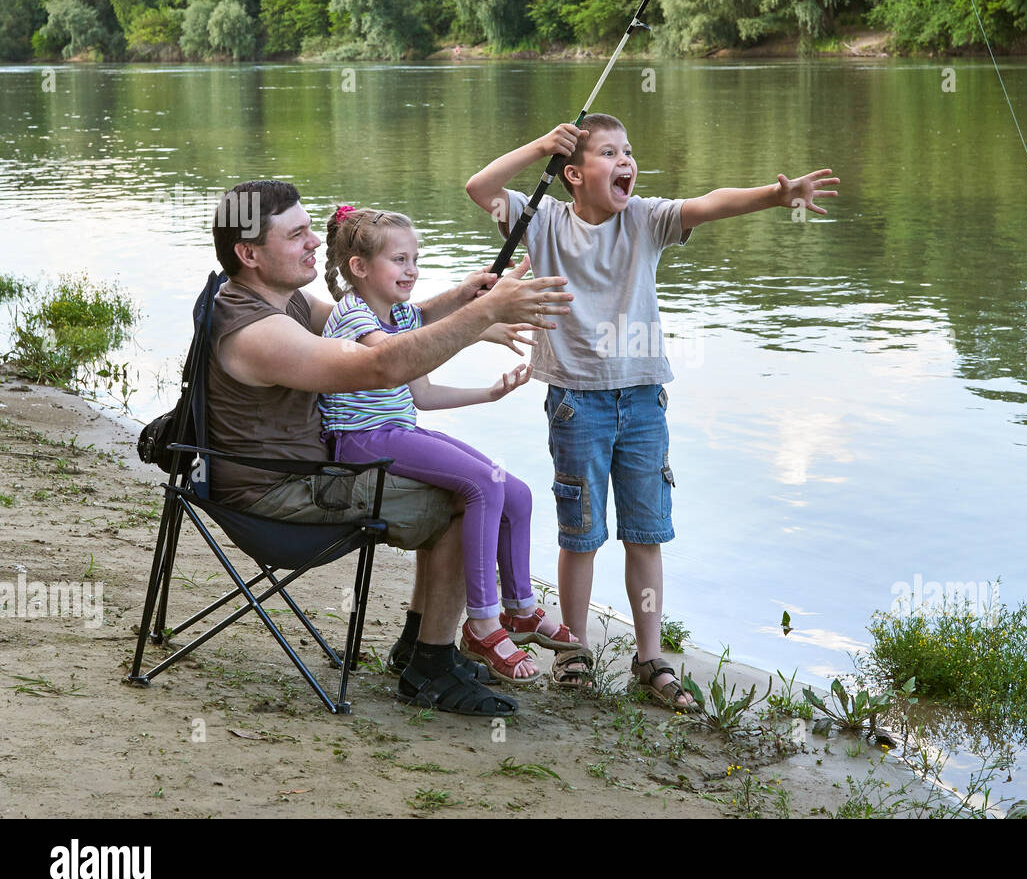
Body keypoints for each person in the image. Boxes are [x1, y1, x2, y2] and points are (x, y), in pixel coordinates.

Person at [466, 116, 836, 709]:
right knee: (581, 534)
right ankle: (575, 650)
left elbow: (710, 204)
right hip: (574, 403)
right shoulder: (543, 221)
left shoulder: (645, 219)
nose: (625, 161)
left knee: (646, 533)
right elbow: (479, 188)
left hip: (642, 400)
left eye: (628, 152)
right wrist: (538, 144)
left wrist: (777, 195)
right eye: (608, 152)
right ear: (572, 174)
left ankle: (651, 658)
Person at [207, 179, 573, 716]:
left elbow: (380, 324)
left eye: (311, 229)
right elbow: (382, 366)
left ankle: (420, 646)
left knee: (463, 484)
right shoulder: (257, 333)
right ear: (250, 253)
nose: (315, 242)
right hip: (274, 495)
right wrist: (484, 314)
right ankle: (433, 661)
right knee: (455, 497)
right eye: (297, 235)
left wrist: (461, 300)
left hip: (290, 473)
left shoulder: (279, 302)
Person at [317, 204, 580, 684]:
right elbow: (398, 356)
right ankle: (482, 622)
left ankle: (519, 608)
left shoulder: (396, 314)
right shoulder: (353, 316)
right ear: (359, 267)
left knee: (514, 490)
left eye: (415, 258)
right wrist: (478, 319)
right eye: (399, 260)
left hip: (399, 433)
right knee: (481, 485)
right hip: (360, 441)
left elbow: (422, 393)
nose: (412, 270)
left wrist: (490, 391)